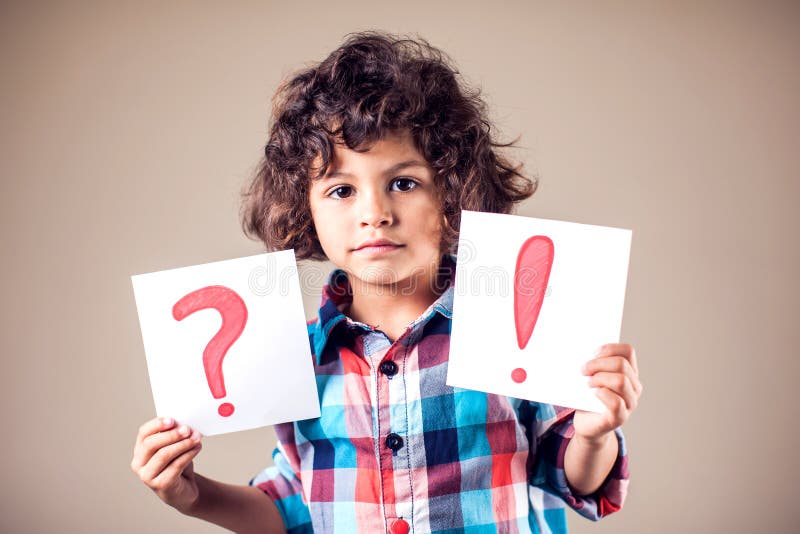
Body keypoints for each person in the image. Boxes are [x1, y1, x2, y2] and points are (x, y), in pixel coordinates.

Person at [130, 30, 642, 534]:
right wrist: (194, 496)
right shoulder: (298, 358)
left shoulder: (509, 330)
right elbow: (294, 507)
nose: (374, 213)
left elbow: (571, 474)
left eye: (403, 183)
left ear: (452, 195)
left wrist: (594, 435)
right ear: (305, 209)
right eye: (341, 190)